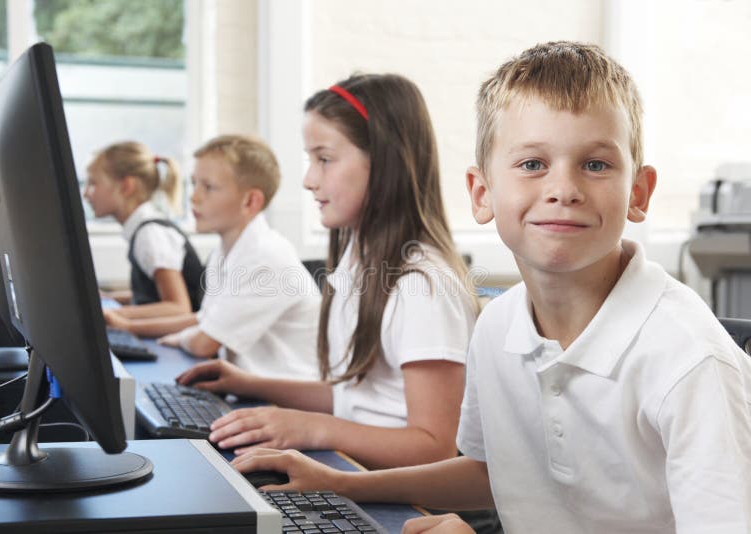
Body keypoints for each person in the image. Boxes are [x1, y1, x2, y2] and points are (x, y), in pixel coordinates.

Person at [229, 42, 751, 534]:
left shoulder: (690, 361)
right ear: (481, 193)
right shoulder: (499, 325)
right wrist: (344, 484)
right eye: (532, 165)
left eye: (596, 165)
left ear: (638, 193)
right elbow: (487, 474)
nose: (563, 190)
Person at [176, 73, 479, 470]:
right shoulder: (358, 260)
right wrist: (249, 384)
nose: (308, 180)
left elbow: (434, 446)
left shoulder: (422, 286)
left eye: (324, 158)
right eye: (309, 159)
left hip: (417, 504)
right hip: (359, 471)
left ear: (385, 161)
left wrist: (313, 429)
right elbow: (358, 400)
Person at [107, 135, 320, 380]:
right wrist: (129, 327)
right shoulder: (226, 250)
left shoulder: (266, 256)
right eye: (194, 183)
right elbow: (204, 319)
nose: (194, 197)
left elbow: (203, 342)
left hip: (284, 400)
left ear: (250, 201)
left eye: (208, 187)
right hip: (251, 391)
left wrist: (180, 338)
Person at [85, 141, 203, 319]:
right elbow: (150, 296)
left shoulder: (150, 234)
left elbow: (179, 307)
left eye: (93, 183)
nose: (86, 193)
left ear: (126, 186)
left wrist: (113, 314)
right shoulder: (143, 229)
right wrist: (108, 298)